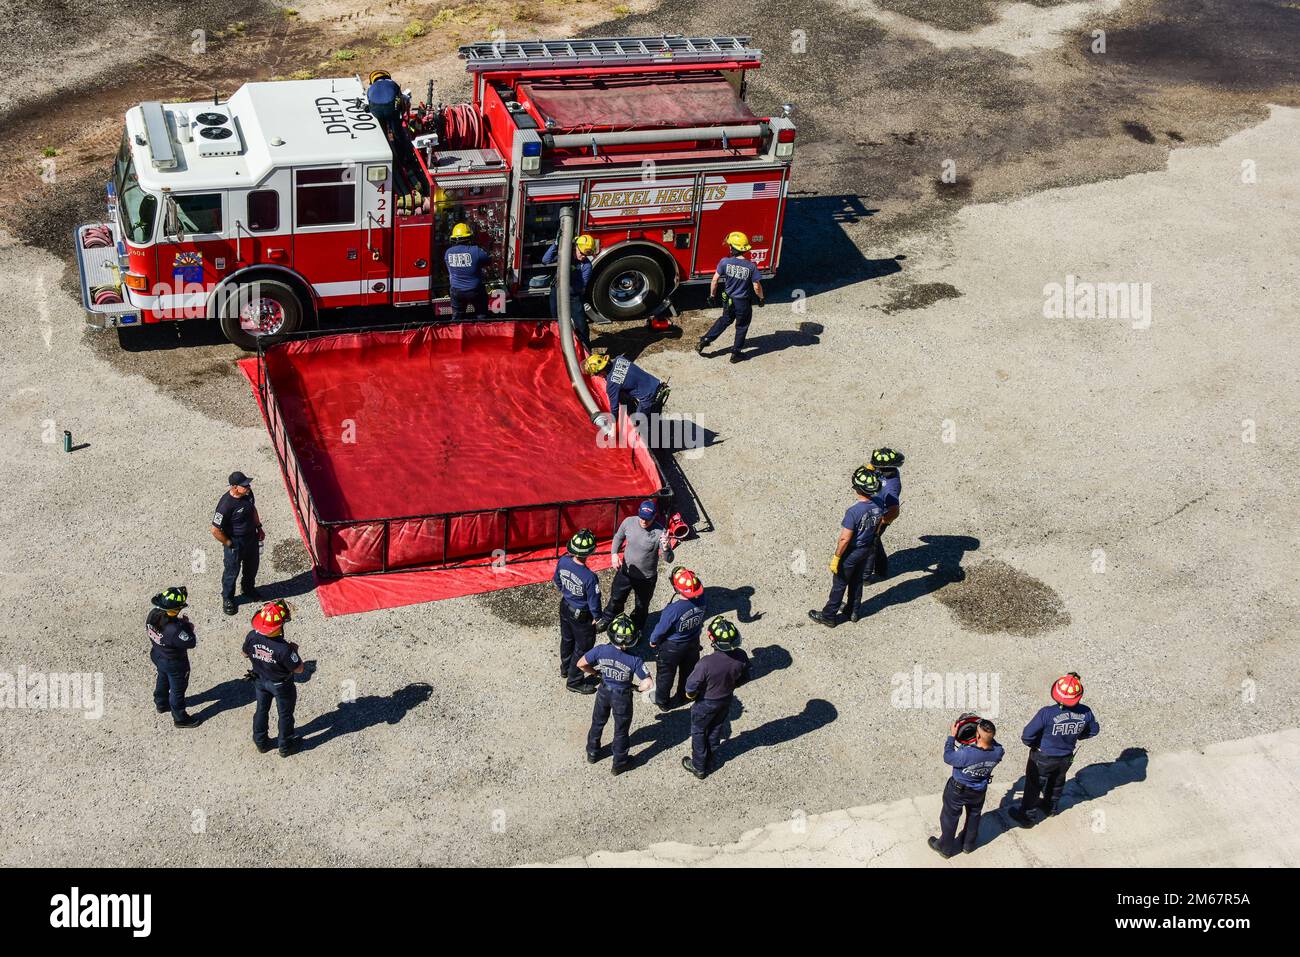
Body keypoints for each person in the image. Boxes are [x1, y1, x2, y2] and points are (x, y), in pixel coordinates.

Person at [1009, 673, 1101, 826]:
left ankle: (1027, 816)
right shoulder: (1086, 712)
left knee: (1034, 785)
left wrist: (1035, 744)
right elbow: (1093, 730)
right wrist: (1079, 736)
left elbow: (1027, 736)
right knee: (1057, 782)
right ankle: (1050, 807)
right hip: (1066, 756)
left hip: (1042, 756)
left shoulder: (1046, 713)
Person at [808, 467, 886, 628]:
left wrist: (837, 557)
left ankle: (829, 615)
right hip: (867, 548)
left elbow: (845, 538)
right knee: (857, 581)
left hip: (852, 551)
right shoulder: (879, 503)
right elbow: (879, 524)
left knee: (840, 583)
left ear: (857, 488)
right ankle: (853, 611)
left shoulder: (854, 512)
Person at [577, 615, 654, 775]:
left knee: (597, 722)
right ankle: (619, 762)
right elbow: (648, 683)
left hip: (604, 691)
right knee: (621, 730)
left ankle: (592, 751)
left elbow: (581, 664)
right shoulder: (635, 660)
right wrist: (638, 689)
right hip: (622, 696)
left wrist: (596, 673)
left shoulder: (600, 650)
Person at [681, 616, 750, 779]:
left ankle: (699, 766)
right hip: (725, 699)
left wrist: (691, 695)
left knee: (698, 731)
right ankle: (711, 758)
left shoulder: (706, 663)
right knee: (716, 728)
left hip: (706, 702)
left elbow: (690, 686)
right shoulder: (741, 656)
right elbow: (745, 677)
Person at [929, 717, 1005, 858]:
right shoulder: (998, 752)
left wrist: (952, 736)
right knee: (974, 816)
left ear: (977, 735)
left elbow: (948, 756)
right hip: (979, 791)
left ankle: (944, 847)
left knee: (950, 818)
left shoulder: (967, 754)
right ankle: (968, 845)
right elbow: (990, 743)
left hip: (958, 791)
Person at [597, 500, 673, 634]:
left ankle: (637, 627)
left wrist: (666, 548)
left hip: (646, 578)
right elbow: (618, 537)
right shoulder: (629, 522)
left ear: (654, 516)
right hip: (626, 572)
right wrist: (614, 554)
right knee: (616, 598)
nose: (644, 521)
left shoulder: (660, 532)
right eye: (642, 517)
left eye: (647, 519)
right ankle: (609, 617)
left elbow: (669, 559)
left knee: (641, 606)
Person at [241, 600, 305, 757]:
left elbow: (244, 653)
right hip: (281, 685)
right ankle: (286, 746)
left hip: (259, 679)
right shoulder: (284, 649)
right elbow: (299, 669)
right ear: (279, 626)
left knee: (261, 709)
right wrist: (294, 651)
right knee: (285, 715)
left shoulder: (252, 636)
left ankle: (260, 742)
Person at [697, 231, 764, 363]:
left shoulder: (724, 262)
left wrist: (711, 296)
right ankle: (736, 354)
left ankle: (706, 339)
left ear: (732, 248)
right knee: (742, 326)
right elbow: (756, 286)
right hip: (743, 302)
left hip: (728, 299)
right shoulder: (751, 267)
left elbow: (714, 280)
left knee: (724, 320)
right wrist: (761, 299)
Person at [647, 566, 706, 710]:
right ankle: (685, 695)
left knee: (666, 675)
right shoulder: (703, 598)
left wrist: (653, 640)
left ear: (677, 589)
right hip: (693, 641)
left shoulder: (674, 609)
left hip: (672, 647)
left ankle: (662, 701)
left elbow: (661, 629)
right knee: (689, 671)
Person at [553, 529, 603, 694]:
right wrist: (597, 617)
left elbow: (557, 580)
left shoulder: (563, 561)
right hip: (581, 615)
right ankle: (574, 681)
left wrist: (568, 594)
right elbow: (593, 602)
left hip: (565, 606)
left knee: (567, 639)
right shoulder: (589, 577)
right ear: (590, 552)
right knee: (583, 647)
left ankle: (566, 668)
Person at [211, 471, 264, 616]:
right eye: (244, 485)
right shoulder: (225, 505)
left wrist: (259, 527)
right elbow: (215, 530)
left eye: (248, 484)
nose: (248, 486)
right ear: (234, 487)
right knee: (231, 572)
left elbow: (253, 509)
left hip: (251, 538)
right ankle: (228, 598)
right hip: (235, 542)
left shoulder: (248, 494)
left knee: (252, 567)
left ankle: (248, 589)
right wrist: (229, 543)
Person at [146, 586, 198, 727]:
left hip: (158, 655)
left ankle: (161, 703)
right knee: (177, 689)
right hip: (174, 663)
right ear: (175, 610)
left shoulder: (153, 615)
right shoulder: (175, 630)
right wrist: (187, 626)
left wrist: (178, 622)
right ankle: (180, 718)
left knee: (162, 678)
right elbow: (190, 642)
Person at [542, 233, 596, 348]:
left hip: (573, 297)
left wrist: (566, 287)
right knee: (555, 322)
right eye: (582, 253)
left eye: (587, 254)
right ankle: (558, 346)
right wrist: (556, 245)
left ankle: (585, 348)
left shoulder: (586, 266)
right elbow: (545, 260)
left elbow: (580, 287)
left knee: (581, 325)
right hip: (556, 292)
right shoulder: (565, 255)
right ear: (576, 247)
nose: (584, 257)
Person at [582, 353, 670, 420]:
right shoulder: (620, 359)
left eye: (596, 374)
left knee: (637, 422)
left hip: (649, 397)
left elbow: (614, 409)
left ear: (600, 372)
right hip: (657, 384)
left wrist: (612, 428)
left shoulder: (612, 385)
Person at [866, 447, 904, 579]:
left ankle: (865, 575)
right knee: (875, 541)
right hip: (874, 510)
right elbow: (870, 468)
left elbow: (894, 511)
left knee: (869, 542)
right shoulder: (886, 470)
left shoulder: (890, 488)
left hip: (882, 516)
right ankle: (882, 569)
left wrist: (882, 522)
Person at [444, 222, 490, 321]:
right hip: (475, 290)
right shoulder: (476, 250)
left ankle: (456, 334)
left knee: (457, 317)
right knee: (481, 314)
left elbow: (450, 269)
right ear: (469, 237)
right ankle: (481, 332)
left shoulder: (448, 253)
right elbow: (488, 260)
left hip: (456, 290)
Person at [366, 69, 405, 142]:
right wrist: (399, 112)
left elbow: (369, 101)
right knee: (396, 127)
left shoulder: (371, 87)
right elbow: (399, 99)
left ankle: (385, 141)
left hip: (375, 109)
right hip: (390, 108)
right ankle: (400, 143)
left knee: (382, 130)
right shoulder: (393, 83)